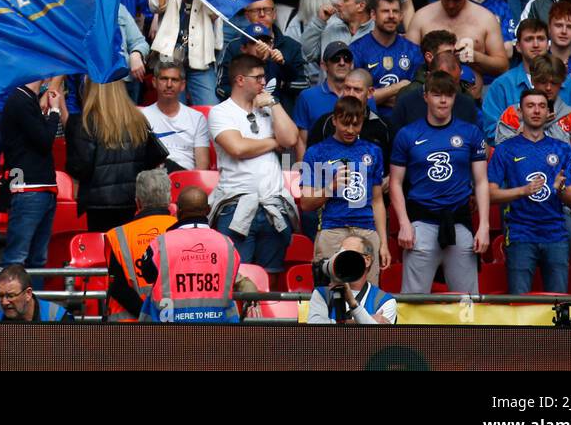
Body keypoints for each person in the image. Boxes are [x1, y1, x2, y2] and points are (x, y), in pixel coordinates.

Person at [389, 71, 490, 294]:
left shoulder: (470, 133)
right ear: (426, 96)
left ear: (455, 97)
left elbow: (481, 182)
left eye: (448, 95)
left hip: (459, 223)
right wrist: (404, 223)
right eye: (437, 95)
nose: (443, 101)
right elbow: (395, 182)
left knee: (467, 303)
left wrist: (484, 226)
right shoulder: (407, 134)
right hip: (421, 225)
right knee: (414, 302)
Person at [206, 54, 298, 269]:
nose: (263, 83)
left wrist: (274, 104)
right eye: (258, 78)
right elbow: (237, 148)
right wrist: (274, 142)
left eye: (263, 77)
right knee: (238, 277)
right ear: (240, 80)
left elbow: (291, 139)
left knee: (272, 277)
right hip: (236, 205)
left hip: (272, 205)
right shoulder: (220, 112)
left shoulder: (269, 108)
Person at [488, 87, 571, 294]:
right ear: (520, 112)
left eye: (541, 106)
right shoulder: (506, 148)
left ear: (549, 112)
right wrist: (523, 190)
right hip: (520, 233)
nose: (536, 111)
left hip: (556, 234)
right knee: (519, 304)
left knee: (558, 305)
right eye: (530, 106)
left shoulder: (562, 148)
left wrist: (560, 189)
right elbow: (489, 194)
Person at [301, 96, 390, 285]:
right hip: (332, 229)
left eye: (356, 125)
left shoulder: (373, 151)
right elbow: (306, 203)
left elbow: (377, 201)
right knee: (329, 297)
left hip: (366, 230)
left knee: (367, 298)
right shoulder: (316, 152)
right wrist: (330, 188)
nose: (350, 130)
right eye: (345, 124)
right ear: (334, 120)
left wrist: (384, 243)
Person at [66, 78, 169, 232]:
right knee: (127, 251)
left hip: (98, 204)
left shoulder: (87, 122)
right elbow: (151, 159)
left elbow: (81, 167)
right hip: (132, 199)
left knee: (104, 251)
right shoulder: (138, 119)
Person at [136, 186, 240, 323]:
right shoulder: (227, 245)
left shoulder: (160, 244)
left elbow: (147, 275)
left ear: (177, 211)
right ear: (208, 210)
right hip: (218, 331)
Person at [0, 78, 65, 268]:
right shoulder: (20, 100)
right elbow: (44, 140)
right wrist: (55, 110)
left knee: (38, 260)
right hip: (29, 189)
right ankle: (10, 297)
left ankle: (35, 298)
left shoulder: (27, 100)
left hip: (43, 188)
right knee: (17, 258)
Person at [103, 168, 177, 321]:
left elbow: (118, 287)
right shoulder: (183, 230)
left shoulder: (118, 235)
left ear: (137, 201)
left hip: (130, 330)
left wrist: (147, 316)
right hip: (176, 322)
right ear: (170, 200)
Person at [306, 231, 397, 323]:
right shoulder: (322, 293)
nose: (343, 259)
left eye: (349, 254)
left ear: (367, 260)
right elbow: (316, 332)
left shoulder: (384, 301)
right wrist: (362, 321)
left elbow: (378, 336)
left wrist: (353, 304)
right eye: (340, 254)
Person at [140, 61, 211, 171]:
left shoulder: (197, 118)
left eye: (174, 80)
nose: (169, 85)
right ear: (154, 82)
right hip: (153, 178)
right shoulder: (142, 116)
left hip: (185, 179)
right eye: (164, 79)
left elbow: (202, 167)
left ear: (182, 85)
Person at [0, 263, 67, 321]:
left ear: (28, 294)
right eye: (1, 295)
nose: (4, 302)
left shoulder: (58, 318)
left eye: (11, 296)